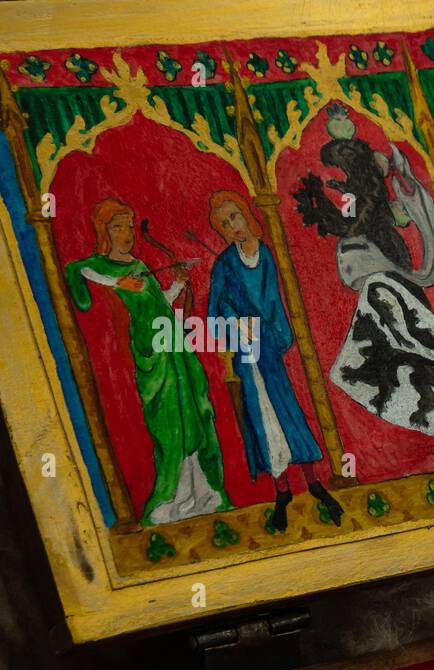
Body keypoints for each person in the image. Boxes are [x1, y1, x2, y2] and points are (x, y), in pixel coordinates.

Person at [65, 198, 231, 525]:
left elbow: (160, 307)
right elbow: (78, 269)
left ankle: (204, 495)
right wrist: (117, 282)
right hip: (152, 354)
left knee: (194, 416)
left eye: (128, 227)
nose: (126, 234)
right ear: (104, 231)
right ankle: (172, 499)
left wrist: (176, 287)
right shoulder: (105, 267)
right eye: (117, 227)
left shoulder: (140, 265)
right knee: (169, 424)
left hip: (174, 349)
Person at [206, 190, 342, 530]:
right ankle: (282, 492)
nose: (232, 227)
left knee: (287, 412)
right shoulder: (224, 264)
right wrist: (236, 321)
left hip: (270, 347)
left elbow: (275, 301)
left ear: (246, 214)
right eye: (224, 224)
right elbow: (214, 311)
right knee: (263, 419)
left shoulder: (266, 254)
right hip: (246, 350)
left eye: (234, 217)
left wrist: (275, 334)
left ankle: (312, 481)